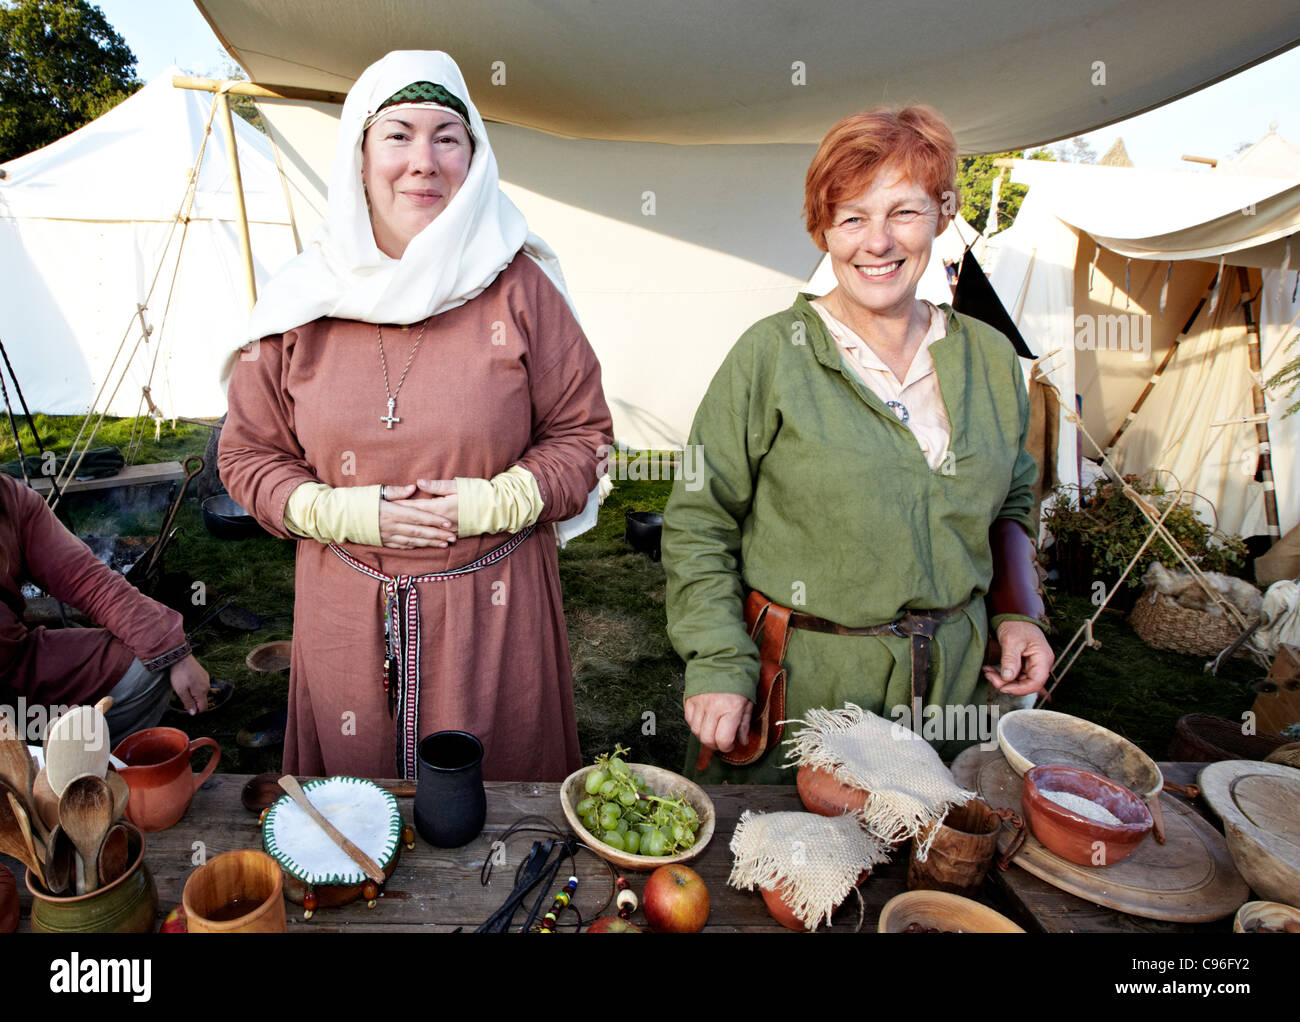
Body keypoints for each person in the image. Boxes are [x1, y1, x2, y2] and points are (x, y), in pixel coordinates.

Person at [219, 51, 612, 783]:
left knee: (499, 812)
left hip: (493, 611)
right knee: (358, 822)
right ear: (360, 156)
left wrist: (494, 499)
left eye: (447, 137)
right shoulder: (301, 299)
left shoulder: (519, 286)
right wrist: (348, 514)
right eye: (397, 135)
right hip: (346, 611)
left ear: (474, 156)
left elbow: (583, 434)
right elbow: (247, 455)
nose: (422, 162)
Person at [662, 106, 1053, 784]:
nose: (878, 242)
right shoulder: (772, 355)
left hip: (954, 690)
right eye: (851, 218)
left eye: (904, 212)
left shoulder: (990, 358)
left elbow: (1013, 494)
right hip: (807, 687)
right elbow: (700, 519)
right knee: (797, 876)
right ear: (823, 230)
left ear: (942, 212)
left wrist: (1020, 610)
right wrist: (720, 660)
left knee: (936, 870)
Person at [0, 474, 209, 747]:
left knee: (150, 664)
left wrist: (172, 649)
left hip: (15, 668)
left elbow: (85, 578)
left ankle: (86, 770)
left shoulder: (10, 498)